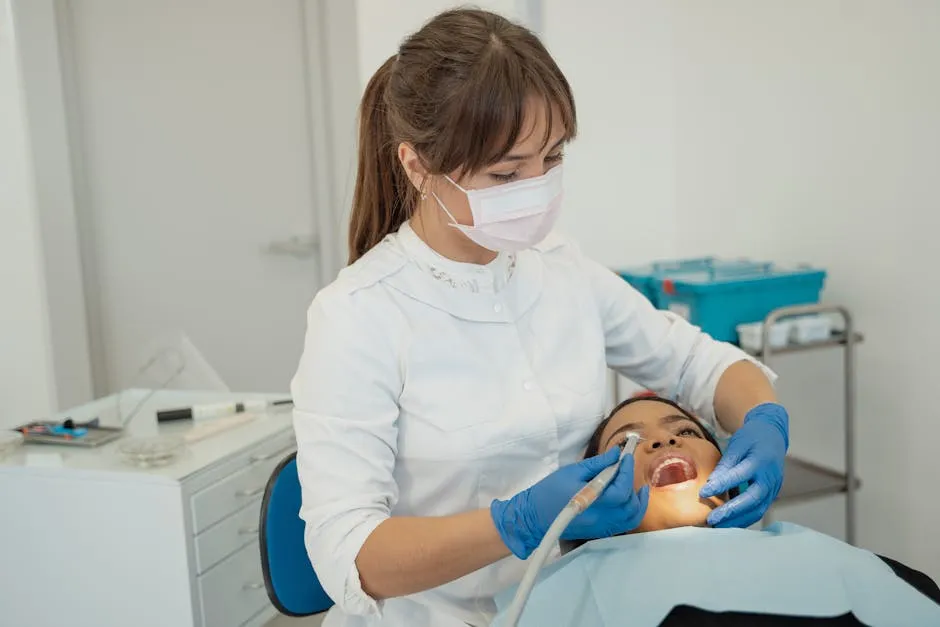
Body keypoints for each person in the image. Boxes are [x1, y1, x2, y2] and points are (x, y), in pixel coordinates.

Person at [291, 8, 789, 627]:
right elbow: (351, 556)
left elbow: (697, 362)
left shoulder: (560, 269)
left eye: (551, 159)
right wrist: (517, 523)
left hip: (572, 606)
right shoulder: (358, 317)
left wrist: (765, 422)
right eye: (506, 173)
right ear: (418, 165)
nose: (536, 187)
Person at [491, 396, 940, 626]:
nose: (664, 441)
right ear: (593, 493)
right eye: (627, 442)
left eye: (685, 430)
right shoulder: (553, 601)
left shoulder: (862, 568)